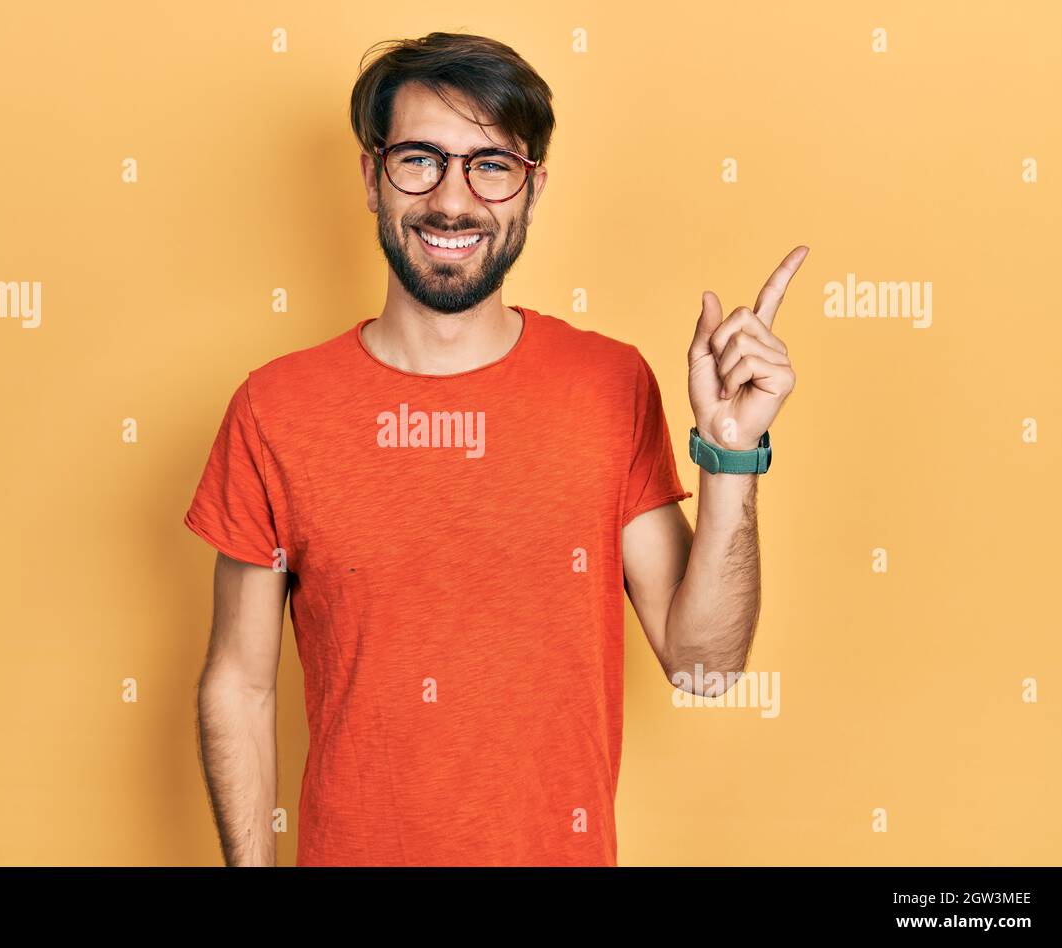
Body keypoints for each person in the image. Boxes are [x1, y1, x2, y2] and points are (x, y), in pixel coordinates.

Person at [184, 31, 805, 866]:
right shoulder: (275, 408)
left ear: (531, 190)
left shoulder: (609, 386)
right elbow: (241, 682)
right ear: (371, 179)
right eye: (420, 161)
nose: (452, 200)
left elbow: (706, 666)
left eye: (490, 165)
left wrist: (730, 456)